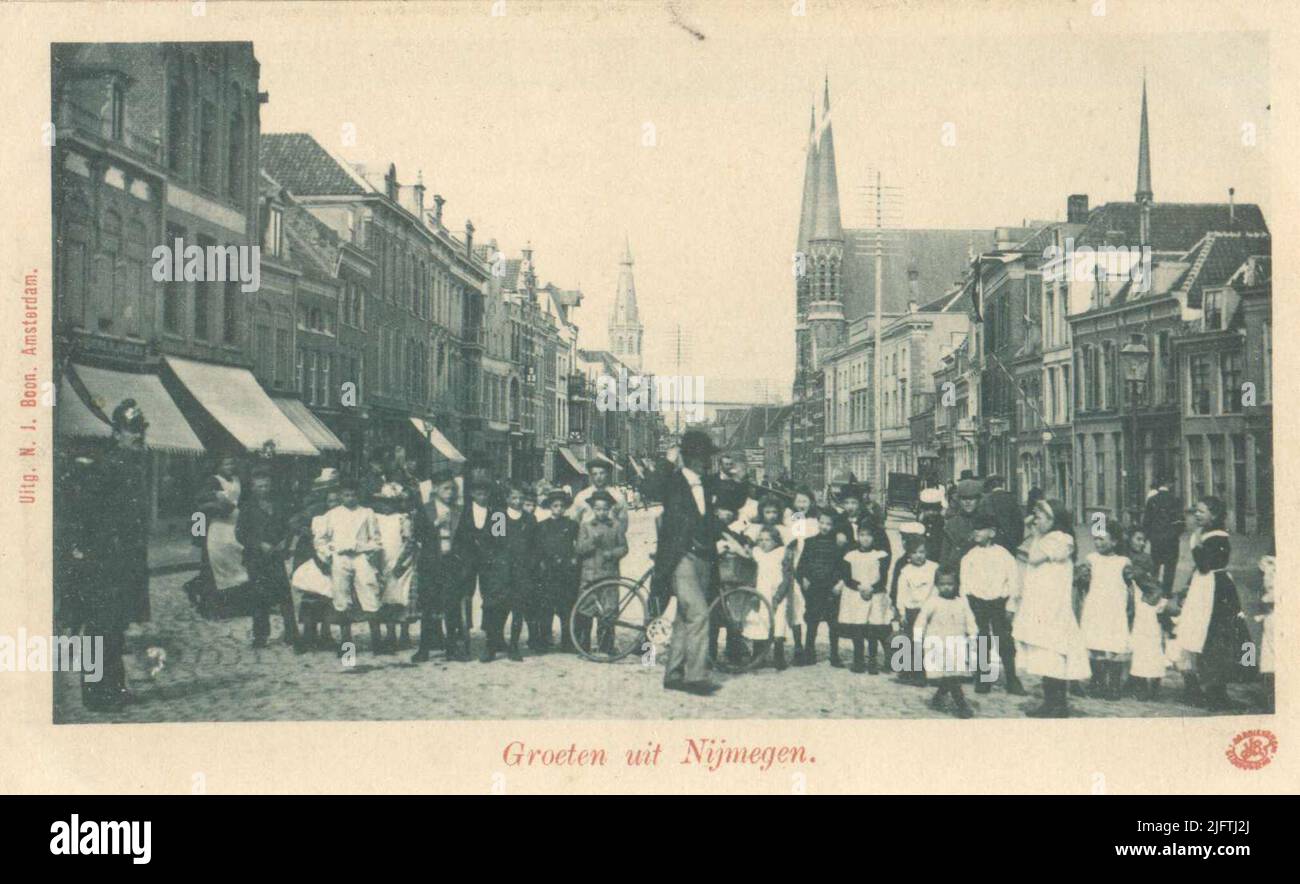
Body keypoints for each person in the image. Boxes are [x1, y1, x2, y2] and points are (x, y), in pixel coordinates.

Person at [61, 398, 151, 712]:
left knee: (115, 628)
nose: (137, 436)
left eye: (140, 430)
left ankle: (113, 687)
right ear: (116, 434)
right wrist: (86, 555)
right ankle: (94, 692)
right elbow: (85, 514)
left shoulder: (133, 466)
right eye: (130, 431)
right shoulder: (105, 468)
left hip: (125, 563)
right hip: (103, 563)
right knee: (100, 628)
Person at [644, 430, 723, 696]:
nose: (707, 462)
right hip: (680, 557)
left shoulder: (708, 483)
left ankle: (674, 673)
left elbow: (733, 498)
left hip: (703, 557)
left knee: (684, 617)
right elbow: (649, 488)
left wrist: (739, 475)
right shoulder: (672, 482)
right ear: (691, 458)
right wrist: (667, 462)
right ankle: (695, 677)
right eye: (703, 457)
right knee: (699, 613)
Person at [1168, 497, 1250, 710]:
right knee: (1195, 635)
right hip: (1203, 588)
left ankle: (1216, 692)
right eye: (1195, 511)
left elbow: (1205, 565)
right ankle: (1197, 688)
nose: (1196, 514)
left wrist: (1195, 543)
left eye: (1201, 511)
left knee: (1214, 638)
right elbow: (1199, 570)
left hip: (1216, 592)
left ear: (1213, 515)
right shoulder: (1204, 535)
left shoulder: (1218, 538)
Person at [1013, 499, 1089, 717]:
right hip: (1042, 606)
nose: (1036, 520)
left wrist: (1033, 531)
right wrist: (1035, 529)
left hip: (1053, 608)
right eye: (1036, 516)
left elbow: (1033, 556)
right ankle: (1050, 701)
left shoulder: (1060, 539)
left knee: (1053, 654)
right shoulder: (1047, 538)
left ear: (1055, 520)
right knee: (1044, 656)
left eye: (1042, 517)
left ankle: (1058, 703)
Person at [959, 512, 1024, 695]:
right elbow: (964, 585)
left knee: (1005, 640)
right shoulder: (969, 556)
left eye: (981, 529)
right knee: (981, 639)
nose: (976, 532)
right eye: (975, 529)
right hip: (977, 603)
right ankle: (983, 677)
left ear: (992, 532)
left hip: (999, 603)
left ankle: (1012, 678)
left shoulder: (1004, 556)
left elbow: (1014, 583)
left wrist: (1011, 607)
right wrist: (967, 607)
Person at [236, 471, 298, 649]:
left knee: (285, 595)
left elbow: (289, 527)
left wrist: (285, 543)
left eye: (267, 485)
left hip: (276, 556)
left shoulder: (279, 505)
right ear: (253, 488)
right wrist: (259, 544)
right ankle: (260, 635)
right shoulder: (247, 508)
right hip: (255, 558)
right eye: (260, 486)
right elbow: (240, 534)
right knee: (258, 596)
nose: (264, 489)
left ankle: (292, 634)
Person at [321, 481, 383, 656]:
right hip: (340, 558)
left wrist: (367, 550)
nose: (350, 498)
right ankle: (347, 646)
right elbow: (321, 540)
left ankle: (377, 643)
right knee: (341, 597)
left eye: (353, 495)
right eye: (346, 495)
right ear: (340, 496)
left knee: (370, 593)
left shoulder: (367, 513)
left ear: (358, 496)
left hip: (361, 557)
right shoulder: (332, 515)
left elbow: (376, 539)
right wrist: (328, 553)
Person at [1079, 519, 1135, 700]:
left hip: (1114, 610)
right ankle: (1098, 682)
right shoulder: (1091, 560)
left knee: (1114, 645)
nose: (1098, 543)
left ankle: (1114, 685)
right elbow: (1083, 581)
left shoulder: (1123, 562)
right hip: (1095, 608)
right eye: (1096, 539)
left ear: (1114, 542)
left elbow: (1130, 586)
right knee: (1095, 644)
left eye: (1102, 539)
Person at [412, 469, 464, 663]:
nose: (449, 493)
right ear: (435, 489)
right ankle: (424, 649)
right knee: (428, 608)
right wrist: (435, 523)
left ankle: (452, 648)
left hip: (451, 563)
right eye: (445, 489)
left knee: (451, 607)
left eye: (452, 489)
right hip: (431, 564)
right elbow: (417, 534)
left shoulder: (459, 511)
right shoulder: (426, 509)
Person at [481, 484, 537, 662]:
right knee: (496, 610)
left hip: (521, 571)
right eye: (514, 498)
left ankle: (514, 646)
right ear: (507, 499)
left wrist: (529, 564)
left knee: (518, 610)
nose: (518, 501)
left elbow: (534, 545)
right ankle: (491, 646)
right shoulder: (499, 516)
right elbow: (494, 543)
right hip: (501, 571)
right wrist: (496, 565)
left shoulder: (529, 519)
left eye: (520, 498)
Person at [914, 567, 978, 718]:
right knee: (951, 676)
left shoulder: (962, 602)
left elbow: (970, 619)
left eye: (950, 583)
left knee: (951, 674)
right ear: (936, 585)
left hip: (956, 644)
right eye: (942, 584)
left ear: (956, 584)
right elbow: (920, 621)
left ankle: (938, 697)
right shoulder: (932, 602)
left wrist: (973, 635)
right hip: (937, 644)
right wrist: (918, 639)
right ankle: (961, 704)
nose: (946, 587)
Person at [573, 490, 628, 655]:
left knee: (608, 610)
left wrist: (612, 553)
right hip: (590, 575)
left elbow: (624, 548)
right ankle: (583, 646)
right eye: (597, 509)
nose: (601, 512)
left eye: (605, 509)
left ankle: (606, 645)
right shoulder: (586, 527)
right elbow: (579, 549)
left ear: (610, 509)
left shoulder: (616, 526)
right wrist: (592, 542)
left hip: (609, 575)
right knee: (585, 609)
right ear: (592, 509)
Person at [290, 479, 339, 653]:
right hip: (309, 556)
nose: (334, 504)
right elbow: (294, 522)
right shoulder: (316, 513)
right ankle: (308, 634)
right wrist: (305, 530)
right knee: (312, 595)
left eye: (337, 501)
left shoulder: (341, 516)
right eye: (331, 500)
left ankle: (326, 633)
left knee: (328, 596)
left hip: (329, 559)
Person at [836, 523, 892, 674]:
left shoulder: (880, 555)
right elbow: (847, 578)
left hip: (874, 595)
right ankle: (858, 660)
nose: (865, 539)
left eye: (868, 535)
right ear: (857, 537)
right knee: (858, 629)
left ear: (874, 538)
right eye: (862, 535)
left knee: (872, 630)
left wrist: (871, 588)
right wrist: (860, 587)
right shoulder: (851, 555)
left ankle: (872, 660)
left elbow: (883, 578)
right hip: (856, 595)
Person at [794, 510, 846, 667]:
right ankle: (809, 653)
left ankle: (834, 655)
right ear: (818, 522)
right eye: (822, 522)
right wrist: (803, 578)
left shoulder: (838, 545)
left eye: (829, 524)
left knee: (833, 622)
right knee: (812, 621)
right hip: (814, 587)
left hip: (831, 588)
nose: (825, 526)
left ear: (834, 526)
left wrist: (840, 583)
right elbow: (801, 565)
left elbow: (843, 567)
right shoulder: (810, 542)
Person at [1127, 530, 1170, 701]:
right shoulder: (1124, 557)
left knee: (1145, 641)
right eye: (1138, 539)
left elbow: (1150, 583)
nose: (1142, 543)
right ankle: (1133, 680)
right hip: (1129, 601)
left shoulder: (1145, 559)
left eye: (1144, 540)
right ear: (1129, 538)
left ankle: (1147, 683)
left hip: (1144, 602)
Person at [535, 489, 579, 652]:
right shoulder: (543, 526)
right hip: (548, 572)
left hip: (566, 572)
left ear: (566, 507)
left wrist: (573, 559)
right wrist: (543, 562)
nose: (558, 509)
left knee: (566, 606)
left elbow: (577, 546)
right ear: (549, 507)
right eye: (555, 506)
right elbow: (538, 548)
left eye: (562, 506)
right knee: (546, 606)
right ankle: (545, 639)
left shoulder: (572, 525)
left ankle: (567, 641)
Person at [746, 525, 792, 670]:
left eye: (768, 540)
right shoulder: (757, 553)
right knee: (759, 623)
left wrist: (778, 597)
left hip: (776, 593)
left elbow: (786, 577)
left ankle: (779, 656)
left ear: (776, 541)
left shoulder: (782, 553)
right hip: (760, 593)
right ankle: (758, 656)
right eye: (761, 540)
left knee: (778, 623)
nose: (764, 543)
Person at [893, 539, 937, 685]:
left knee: (925, 642)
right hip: (911, 610)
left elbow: (936, 591)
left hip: (927, 610)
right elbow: (902, 593)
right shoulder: (906, 571)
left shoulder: (933, 568)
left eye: (922, 552)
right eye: (915, 552)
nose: (918, 556)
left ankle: (922, 674)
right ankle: (907, 671)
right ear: (909, 555)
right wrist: (902, 612)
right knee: (910, 641)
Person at [1141, 478, 1183, 596]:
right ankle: (1166, 592)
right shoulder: (1175, 500)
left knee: (1155, 565)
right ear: (1169, 484)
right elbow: (1180, 522)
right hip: (1171, 541)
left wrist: (1148, 538)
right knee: (1170, 566)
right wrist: (1174, 534)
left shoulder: (1152, 500)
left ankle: (1153, 591)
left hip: (1156, 540)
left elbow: (1146, 522)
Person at [569, 460, 628, 532]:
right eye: (595, 474)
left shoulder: (617, 496)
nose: (598, 477)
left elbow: (623, 523)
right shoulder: (582, 496)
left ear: (607, 474)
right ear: (590, 476)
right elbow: (574, 520)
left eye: (602, 473)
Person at [941, 479, 982, 572]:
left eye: (972, 498)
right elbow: (945, 554)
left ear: (978, 499)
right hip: (957, 570)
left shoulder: (986, 522)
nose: (968, 502)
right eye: (964, 498)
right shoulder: (952, 524)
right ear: (959, 500)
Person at [977, 475, 1023, 553]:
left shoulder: (987, 500)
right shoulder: (1012, 498)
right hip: (1011, 543)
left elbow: (983, 522)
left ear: (990, 486)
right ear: (1001, 485)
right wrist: (1017, 541)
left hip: (993, 543)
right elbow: (1019, 521)